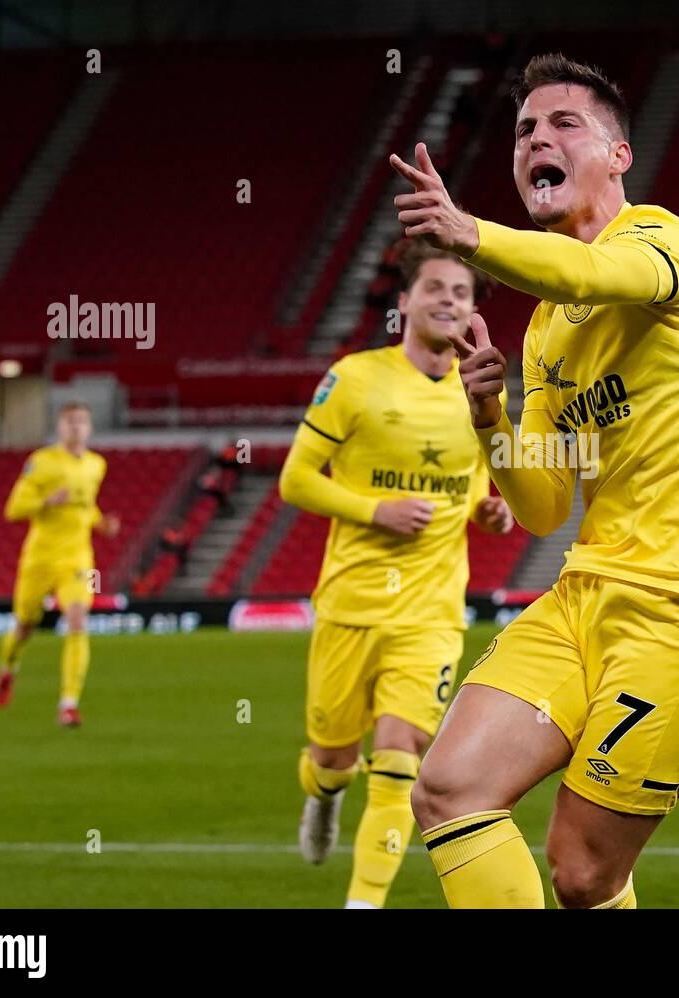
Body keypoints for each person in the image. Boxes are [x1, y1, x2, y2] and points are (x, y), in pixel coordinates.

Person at [389, 53, 679, 908]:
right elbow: (541, 506)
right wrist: (491, 420)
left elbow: (591, 271)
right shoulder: (543, 332)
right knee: (449, 787)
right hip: (586, 592)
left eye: (565, 124)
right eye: (526, 129)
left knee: (581, 871)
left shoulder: (660, 246)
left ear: (617, 156)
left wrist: (469, 233)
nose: (538, 137)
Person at [278, 240, 513, 908]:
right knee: (332, 760)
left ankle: (362, 904)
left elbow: (472, 486)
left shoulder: (482, 389)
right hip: (351, 601)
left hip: (431, 610)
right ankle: (322, 798)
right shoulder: (353, 379)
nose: (448, 300)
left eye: (461, 293)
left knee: (402, 751)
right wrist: (373, 509)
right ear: (403, 301)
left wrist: (488, 513)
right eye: (435, 288)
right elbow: (296, 481)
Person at [0, 401, 120, 727]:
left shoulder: (96, 465)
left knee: (78, 620)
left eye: (81, 421)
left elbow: (85, 505)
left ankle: (68, 704)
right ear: (59, 427)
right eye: (69, 421)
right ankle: (8, 669)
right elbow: (13, 509)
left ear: (89, 428)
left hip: (79, 558)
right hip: (40, 558)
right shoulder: (41, 462)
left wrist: (101, 523)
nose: (76, 427)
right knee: (24, 625)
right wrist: (45, 501)